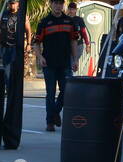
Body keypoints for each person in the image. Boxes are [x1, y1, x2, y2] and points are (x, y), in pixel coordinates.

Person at [32, 0, 81, 131]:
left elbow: (74, 42)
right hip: (49, 63)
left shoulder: (70, 22)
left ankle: (54, 113)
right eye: (55, 3)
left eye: (60, 3)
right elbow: (36, 43)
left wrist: (75, 60)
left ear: (63, 5)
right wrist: (40, 57)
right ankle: (50, 123)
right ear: (51, 4)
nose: (58, 6)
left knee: (66, 91)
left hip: (65, 63)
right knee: (50, 93)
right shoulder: (44, 22)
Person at [66, 2, 90, 74]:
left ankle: (72, 77)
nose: (71, 11)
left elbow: (84, 32)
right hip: (67, 45)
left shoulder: (79, 20)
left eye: (73, 9)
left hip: (78, 45)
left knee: (73, 62)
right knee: (69, 63)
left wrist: (87, 45)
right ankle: (70, 77)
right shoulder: (65, 19)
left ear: (76, 10)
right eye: (70, 9)